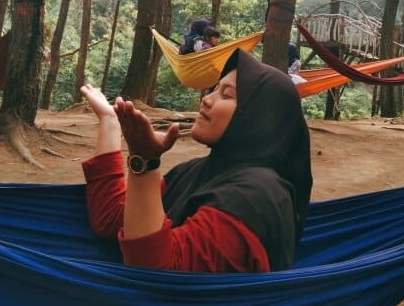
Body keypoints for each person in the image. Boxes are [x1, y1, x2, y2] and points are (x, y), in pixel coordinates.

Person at [80, 49, 312, 272]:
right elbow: (111, 219)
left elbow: (154, 272)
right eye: (214, 89)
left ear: (259, 118)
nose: (207, 100)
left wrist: (146, 162)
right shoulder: (195, 172)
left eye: (227, 94)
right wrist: (110, 120)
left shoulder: (256, 197)